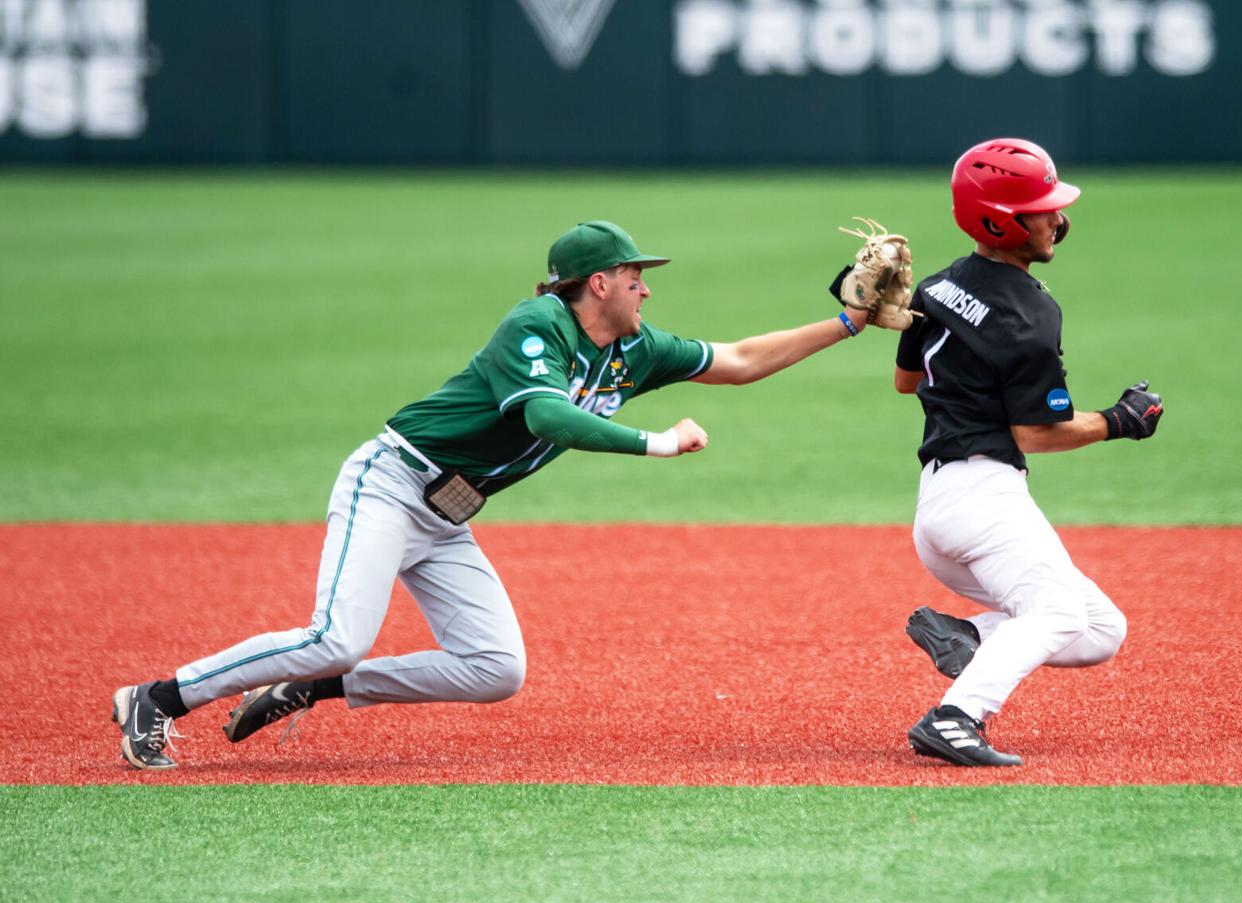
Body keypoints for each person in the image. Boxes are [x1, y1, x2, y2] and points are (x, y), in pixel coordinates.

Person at [111, 219, 901, 770]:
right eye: (635, 277)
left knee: (493, 668)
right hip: (390, 483)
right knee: (338, 632)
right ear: (598, 283)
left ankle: (315, 687)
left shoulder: (633, 350)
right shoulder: (536, 325)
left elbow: (740, 359)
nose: (645, 290)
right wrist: (653, 443)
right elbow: (545, 415)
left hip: (447, 515)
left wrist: (848, 322)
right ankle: (156, 698)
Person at [893, 139, 1163, 767]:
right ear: (1001, 223)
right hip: (985, 502)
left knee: (1100, 629)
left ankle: (967, 635)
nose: (1057, 220)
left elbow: (906, 382)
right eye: (1042, 210)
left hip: (941, 507)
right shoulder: (1030, 314)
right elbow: (1037, 434)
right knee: (1059, 610)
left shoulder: (937, 286)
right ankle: (956, 718)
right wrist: (1119, 421)